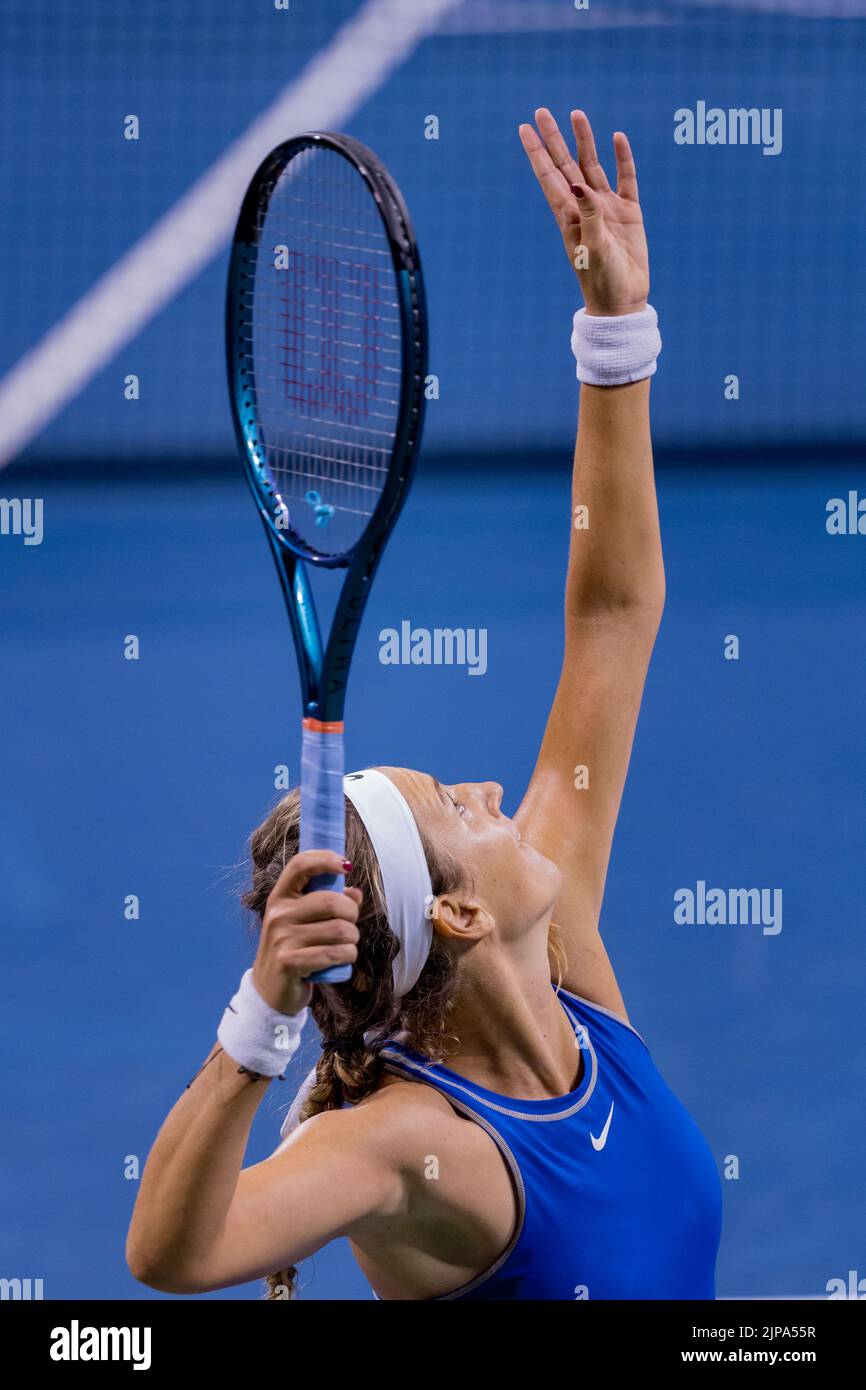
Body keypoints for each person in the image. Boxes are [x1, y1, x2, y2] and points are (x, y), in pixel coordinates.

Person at [127, 108, 722, 1301]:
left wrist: (615, 329)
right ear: (453, 917)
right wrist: (261, 1013)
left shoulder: (558, 956)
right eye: (460, 804)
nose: (497, 791)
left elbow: (610, 618)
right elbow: (170, 1257)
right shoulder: (416, 1149)